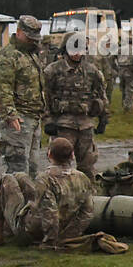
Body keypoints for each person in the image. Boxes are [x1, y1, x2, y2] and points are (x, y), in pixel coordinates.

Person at [0, 137, 94, 247]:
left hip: (32, 231)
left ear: (49, 154)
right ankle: (8, 228)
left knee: (5, 180)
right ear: (72, 155)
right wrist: (70, 235)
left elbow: (50, 213)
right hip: (63, 226)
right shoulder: (82, 177)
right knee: (21, 176)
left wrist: (50, 241)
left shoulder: (46, 179)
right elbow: (87, 212)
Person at [43, 32, 107, 179]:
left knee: (87, 166)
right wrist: (48, 121)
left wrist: (104, 117)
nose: (77, 54)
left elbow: (100, 95)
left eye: (81, 49)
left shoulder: (92, 71)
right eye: (73, 49)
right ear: (65, 49)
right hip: (63, 125)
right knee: (60, 166)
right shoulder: (52, 70)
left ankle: (88, 196)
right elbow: (44, 97)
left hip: (85, 124)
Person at [0, 15, 48, 177]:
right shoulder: (7, 56)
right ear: (18, 32)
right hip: (17, 120)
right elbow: (2, 88)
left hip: (33, 118)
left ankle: (29, 201)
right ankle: (14, 202)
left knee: (32, 170)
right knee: (17, 171)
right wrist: (10, 114)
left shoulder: (31, 55)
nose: (32, 41)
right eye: (29, 37)